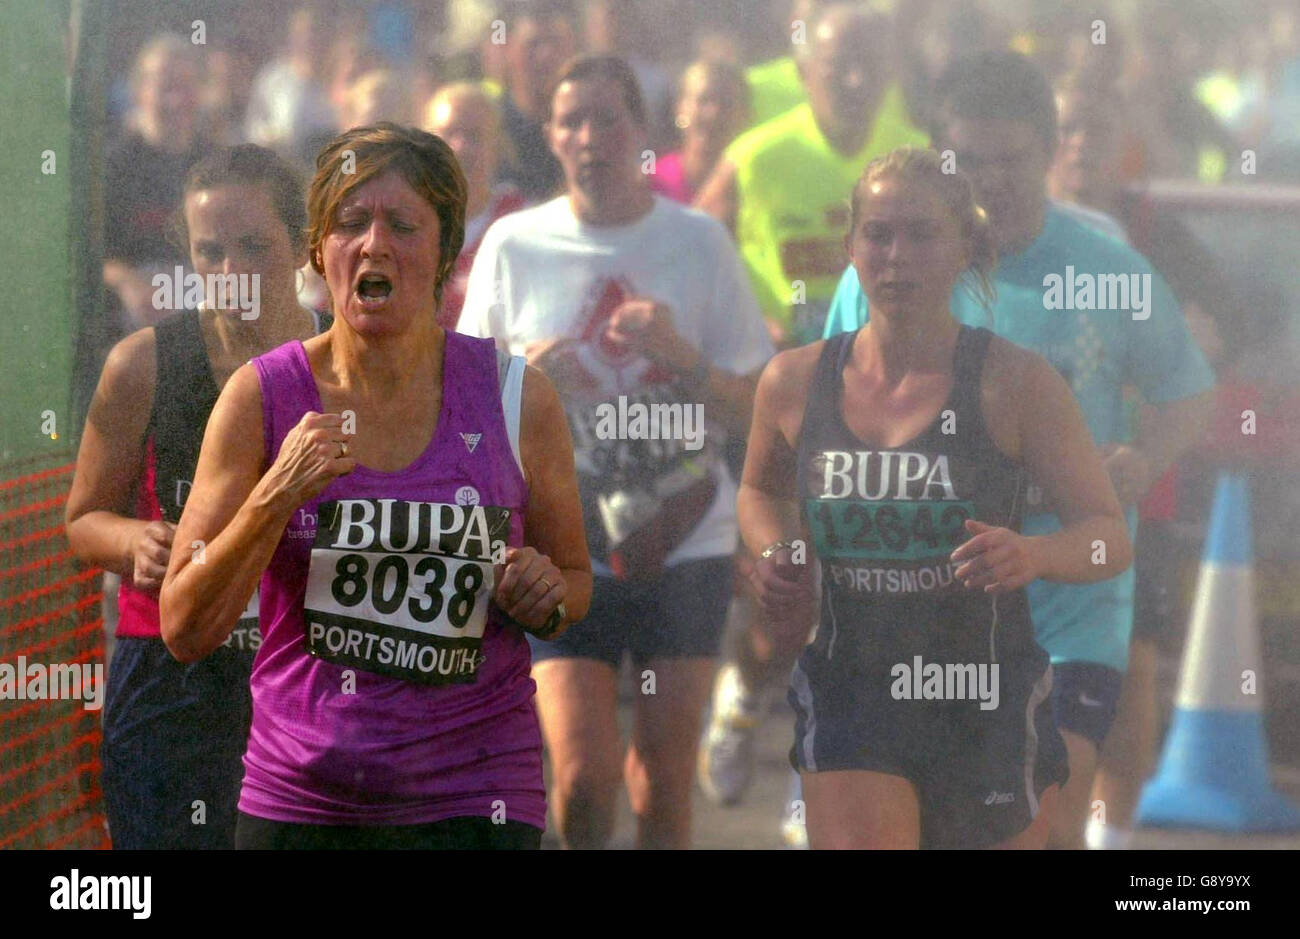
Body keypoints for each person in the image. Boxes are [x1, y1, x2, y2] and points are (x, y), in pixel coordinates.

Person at [158, 123, 591, 850]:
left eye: (404, 224)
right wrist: (274, 495)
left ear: (446, 251)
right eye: (351, 224)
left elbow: (574, 583)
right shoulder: (260, 397)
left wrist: (544, 594)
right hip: (302, 799)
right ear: (315, 252)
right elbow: (185, 626)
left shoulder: (518, 397)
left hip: (475, 796)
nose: (374, 245)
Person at [823, 53, 1217, 849]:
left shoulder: (1108, 269)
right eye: (969, 161)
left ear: (1049, 154)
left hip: (1070, 610)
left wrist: (1143, 458)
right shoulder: (890, 270)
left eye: (1011, 160)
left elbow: (1190, 391)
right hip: (921, 614)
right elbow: (828, 417)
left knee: (1037, 822)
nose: (990, 180)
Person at [742, 146, 1132, 849]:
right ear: (851, 248)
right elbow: (758, 490)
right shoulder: (794, 382)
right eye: (879, 234)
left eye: (922, 235)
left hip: (982, 698)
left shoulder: (1016, 383)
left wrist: (1034, 552)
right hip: (851, 689)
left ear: (964, 249)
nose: (897, 256)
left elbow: (1109, 536)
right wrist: (775, 547)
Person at [460, 55, 772, 849]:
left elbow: (757, 402)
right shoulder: (514, 243)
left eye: (609, 119)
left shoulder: (697, 242)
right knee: (582, 779)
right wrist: (519, 373)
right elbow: (462, 413)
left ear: (643, 135)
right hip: (561, 548)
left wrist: (682, 356)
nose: (590, 138)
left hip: (683, 545)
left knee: (663, 781)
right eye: (571, 121)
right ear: (552, 135)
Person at [695, 2, 927, 826]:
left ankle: (816, 788)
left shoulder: (916, 157)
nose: (858, 80)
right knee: (789, 588)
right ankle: (741, 693)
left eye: (872, 62)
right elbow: (694, 245)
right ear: (803, 71)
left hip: (882, 405)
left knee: (853, 594)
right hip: (776, 396)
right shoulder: (758, 155)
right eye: (840, 64)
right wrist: (735, 318)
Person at [67, 144, 330, 849]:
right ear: (185, 254)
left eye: (254, 246)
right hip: (170, 678)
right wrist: (133, 540)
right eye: (210, 251)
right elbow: (82, 519)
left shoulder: (344, 363)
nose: (232, 272)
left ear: (304, 245)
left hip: (308, 671)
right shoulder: (145, 363)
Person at [102, 34, 207, 335]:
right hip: (132, 317)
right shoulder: (114, 166)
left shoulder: (218, 164)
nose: (175, 100)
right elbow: (93, 254)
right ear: (139, 93)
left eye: (185, 86)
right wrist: (128, 284)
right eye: (165, 87)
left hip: (204, 302)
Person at [423, 82, 526, 330]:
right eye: (449, 133)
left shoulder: (521, 222)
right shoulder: (397, 222)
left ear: (497, 146)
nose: (460, 148)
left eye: (474, 136)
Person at [495, 0, 579, 202]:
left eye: (555, 43)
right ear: (508, 50)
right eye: (533, 44)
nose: (545, 55)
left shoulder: (586, 127)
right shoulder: (489, 127)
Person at [648, 60, 750, 205]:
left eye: (726, 102)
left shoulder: (755, 182)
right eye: (704, 100)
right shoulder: (653, 182)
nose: (713, 113)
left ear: (745, 114)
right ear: (680, 108)